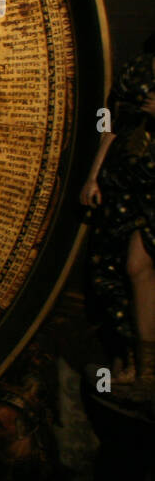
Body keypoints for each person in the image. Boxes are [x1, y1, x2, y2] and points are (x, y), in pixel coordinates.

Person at [80, 31, 155, 390]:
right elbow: (111, 127)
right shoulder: (138, 69)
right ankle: (128, 363)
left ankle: (147, 371)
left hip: (151, 191)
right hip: (122, 185)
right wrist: (92, 177)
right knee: (109, 273)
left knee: (137, 268)